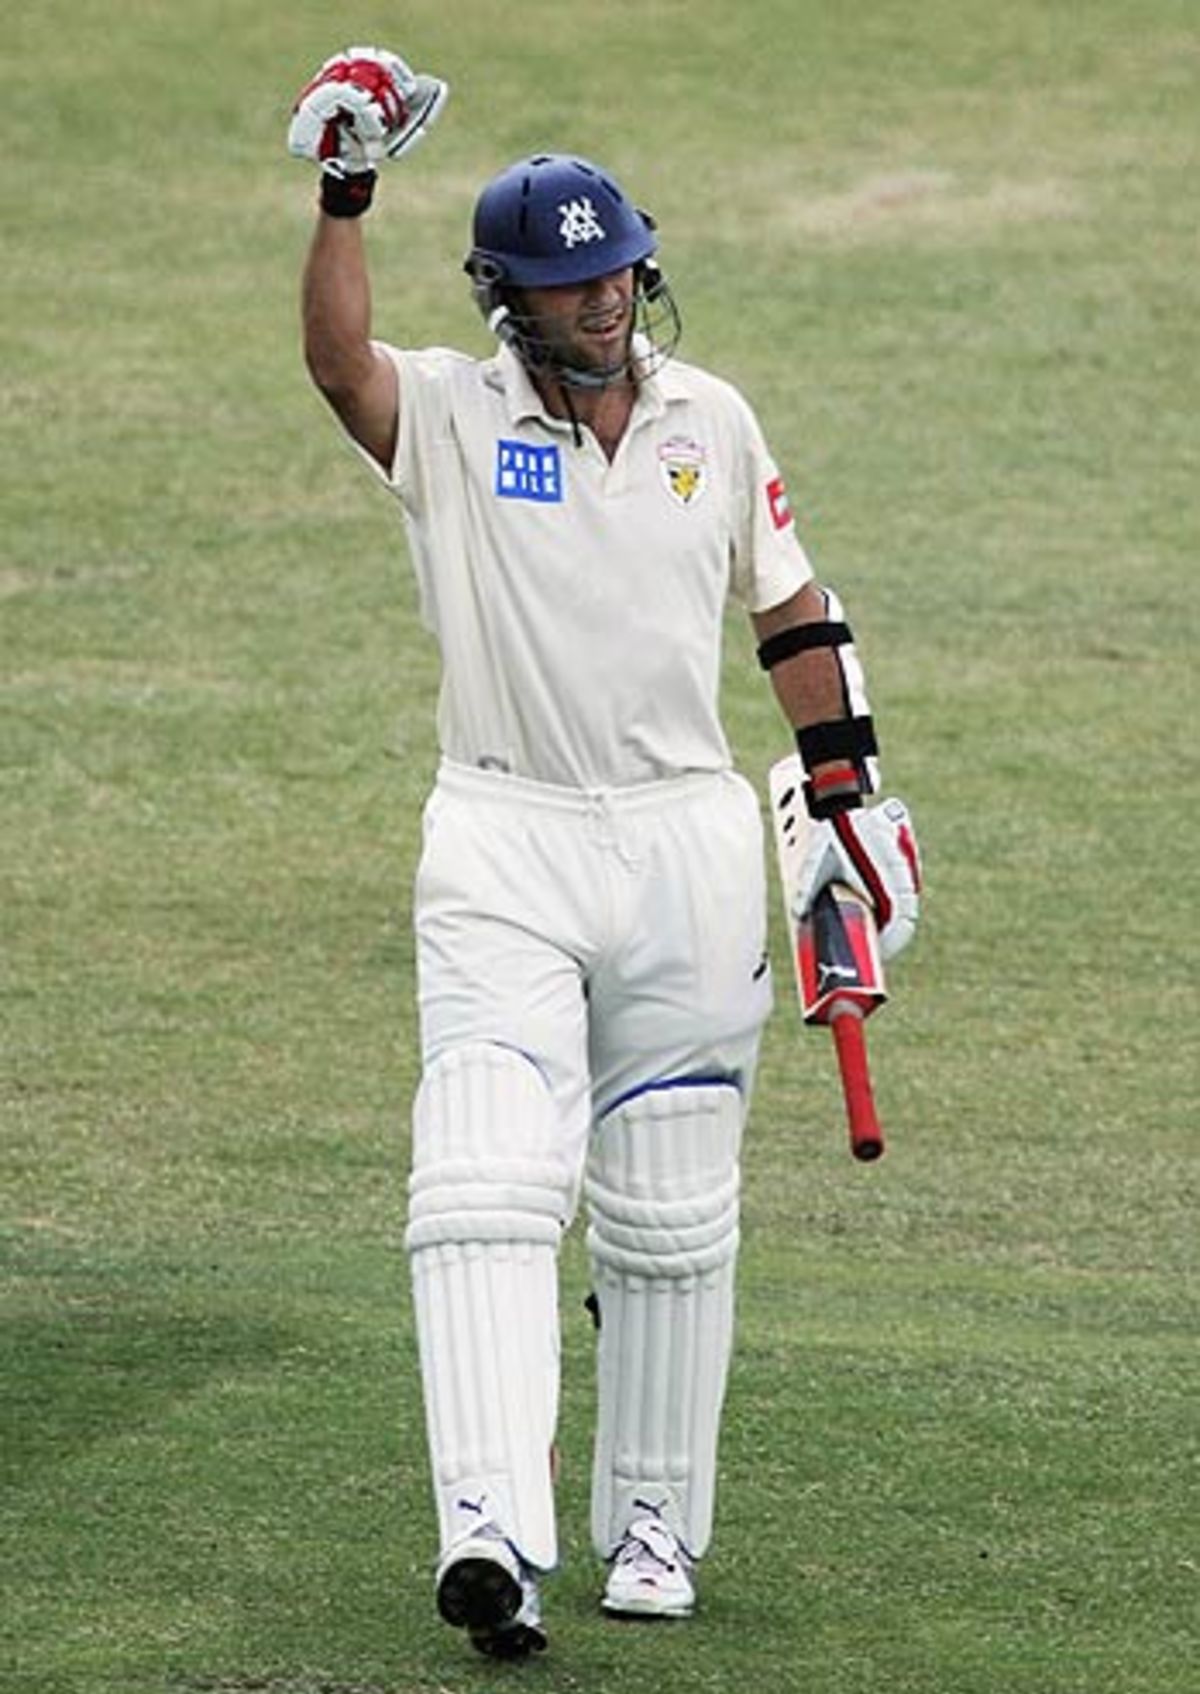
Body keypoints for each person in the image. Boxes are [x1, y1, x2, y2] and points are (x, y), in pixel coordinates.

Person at [287, 46, 920, 1662]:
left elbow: (789, 607)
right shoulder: (450, 411)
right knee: (485, 1181)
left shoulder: (713, 418)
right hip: (502, 832)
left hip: (685, 841)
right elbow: (339, 361)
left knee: (667, 1214)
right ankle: (489, 1527)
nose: (608, 301)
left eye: (621, 269)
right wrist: (344, 197)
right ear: (512, 301)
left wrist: (847, 796)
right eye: (572, 286)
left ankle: (655, 1524)